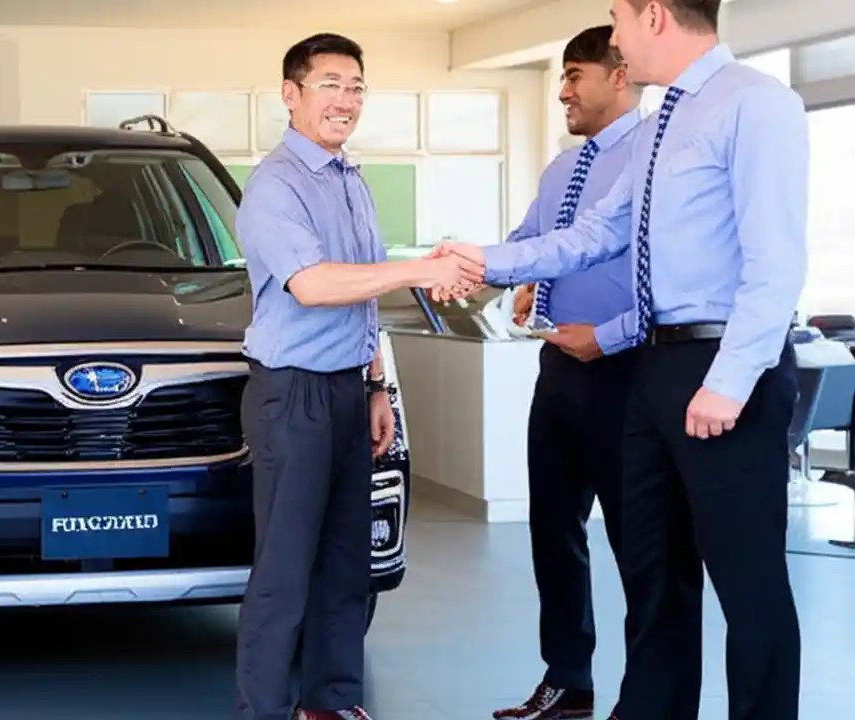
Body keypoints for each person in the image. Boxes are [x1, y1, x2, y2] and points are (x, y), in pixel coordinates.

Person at [437, 1, 809, 718]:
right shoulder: (663, 123)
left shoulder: (757, 104)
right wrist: (488, 259)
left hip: (723, 366)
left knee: (748, 583)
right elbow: (594, 233)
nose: (614, 38)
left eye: (618, 18)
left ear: (656, 15)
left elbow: (776, 262)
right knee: (655, 571)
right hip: (656, 368)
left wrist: (729, 383)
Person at [232, 32, 481, 720]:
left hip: (345, 389)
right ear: (291, 95)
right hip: (293, 395)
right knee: (285, 571)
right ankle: (263, 710)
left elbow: (361, 298)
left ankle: (331, 703)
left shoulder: (351, 180)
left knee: (347, 563)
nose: (345, 101)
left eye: (356, 87)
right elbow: (312, 285)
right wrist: (418, 269)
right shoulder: (273, 186)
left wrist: (377, 387)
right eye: (330, 85)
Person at [491, 25, 645, 720]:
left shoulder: (655, 157)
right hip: (558, 370)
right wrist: (466, 266)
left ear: (619, 74)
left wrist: (608, 339)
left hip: (629, 373)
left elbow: (669, 274)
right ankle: (567, 681)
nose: (562, 91)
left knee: (639, 542)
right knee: (553, 529)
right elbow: (530, 243)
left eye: (574, 75)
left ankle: (647, 695)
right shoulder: (563, 169)